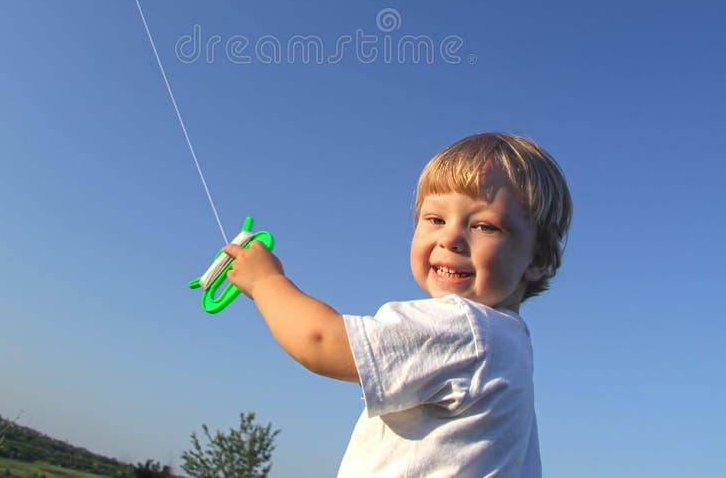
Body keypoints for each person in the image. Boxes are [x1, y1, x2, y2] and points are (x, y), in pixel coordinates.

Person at [224, 132, 572, 476]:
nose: (450, 238)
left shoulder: (468, 329)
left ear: (538, 258)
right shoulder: (508, 351)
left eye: (483, 226)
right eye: (435, 219)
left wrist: (266, 281)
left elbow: (320, 341)